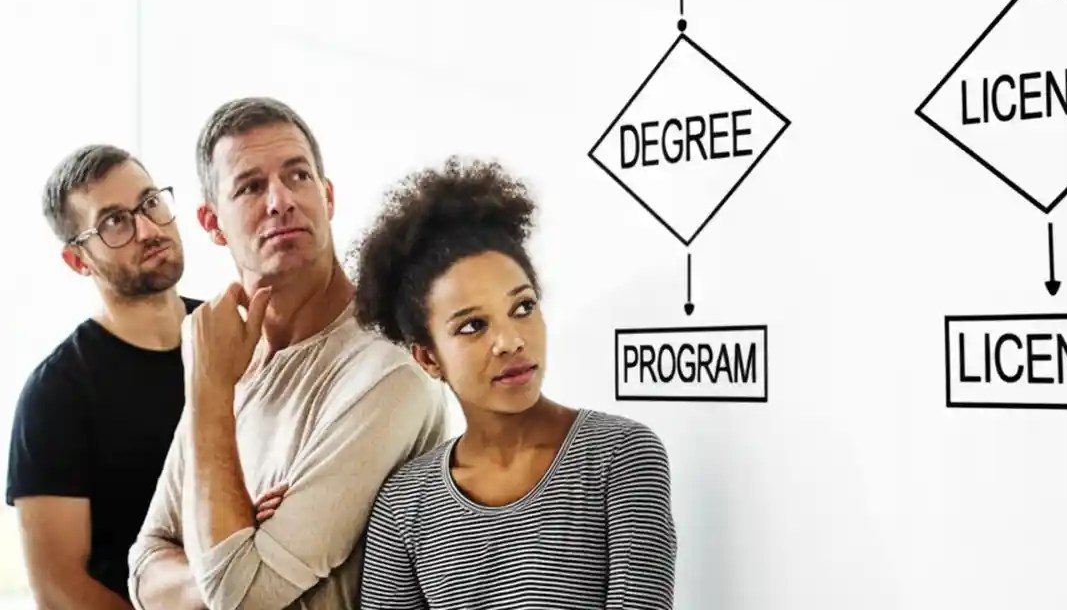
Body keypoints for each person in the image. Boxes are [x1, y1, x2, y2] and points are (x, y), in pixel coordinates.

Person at [127, 97, 451, 609]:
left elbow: (246, 596)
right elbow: (145, 565)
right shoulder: (229, 354)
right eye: (251, 186)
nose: (281, 200)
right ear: (212, 223)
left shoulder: (390, 367)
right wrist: (220, 565)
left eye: (298, 176)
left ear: (327, 196)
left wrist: (210, 393)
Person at [351, 157, 677, 609]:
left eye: (522, 307)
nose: (510, 341)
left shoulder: (619, 457)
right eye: (472, 326)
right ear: (427, 357)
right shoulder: (404, 505)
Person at [5, 145, 201, 608]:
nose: (148, 228)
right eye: (114, 221)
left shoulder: (235, 333)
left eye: (151, 202)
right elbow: (58, 589)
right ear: (78, 260)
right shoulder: (54, 395)